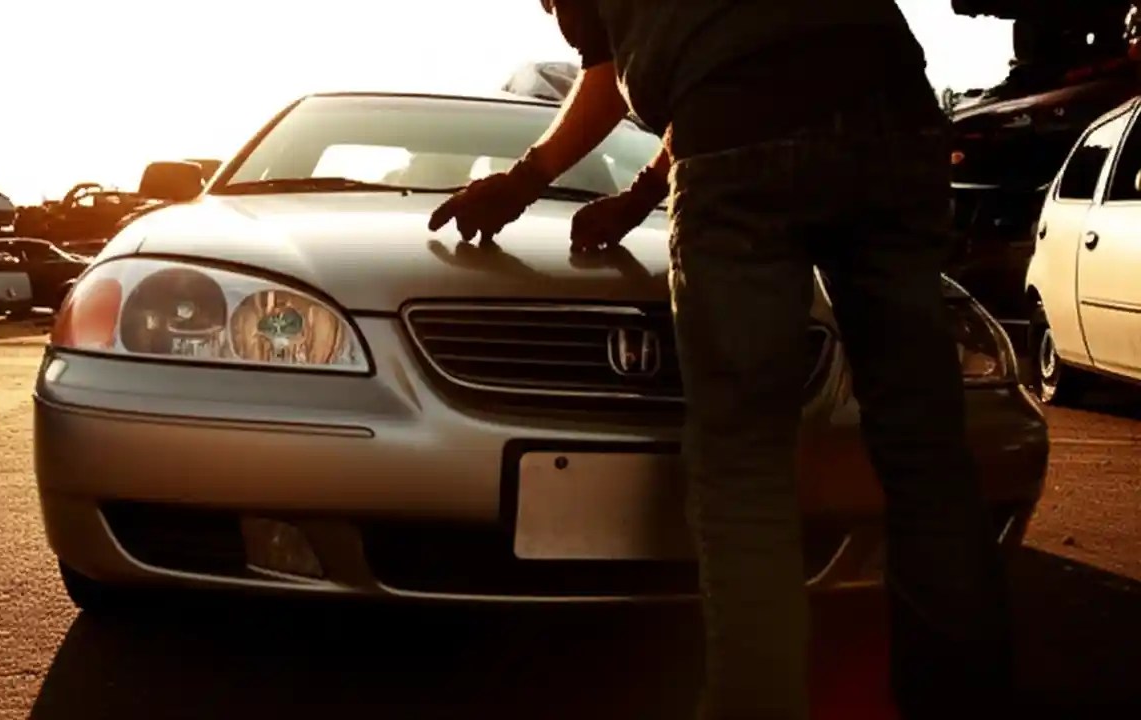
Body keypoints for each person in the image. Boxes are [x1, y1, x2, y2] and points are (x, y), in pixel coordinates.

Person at [428, 2, 1014, 718]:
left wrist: (523, 180)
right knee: (926, 449)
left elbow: (612, 69)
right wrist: (641, 194)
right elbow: (762, 57)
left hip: (738, 141)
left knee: (744, 466)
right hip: (891, 113)